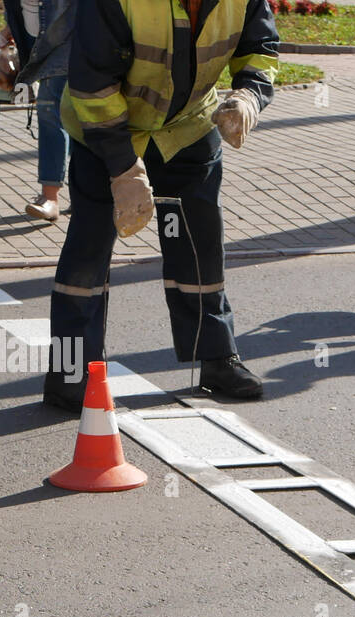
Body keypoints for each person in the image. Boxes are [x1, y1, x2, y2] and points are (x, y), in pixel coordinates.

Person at [42, 0, 279, 412]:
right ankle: (69, 374)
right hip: (104, 132)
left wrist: (248, 97)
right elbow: (92, 85)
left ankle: (218, 358)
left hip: (186, 130)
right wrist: (123, 170)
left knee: (199, 245)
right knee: (88, 253)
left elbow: (259, 49)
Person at [0, 0, 72, 223]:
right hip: (35, 44)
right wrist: (9, 31)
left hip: (65, 44)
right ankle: (86, 187)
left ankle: (50, 197)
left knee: (49, 110)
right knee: (70, 118)